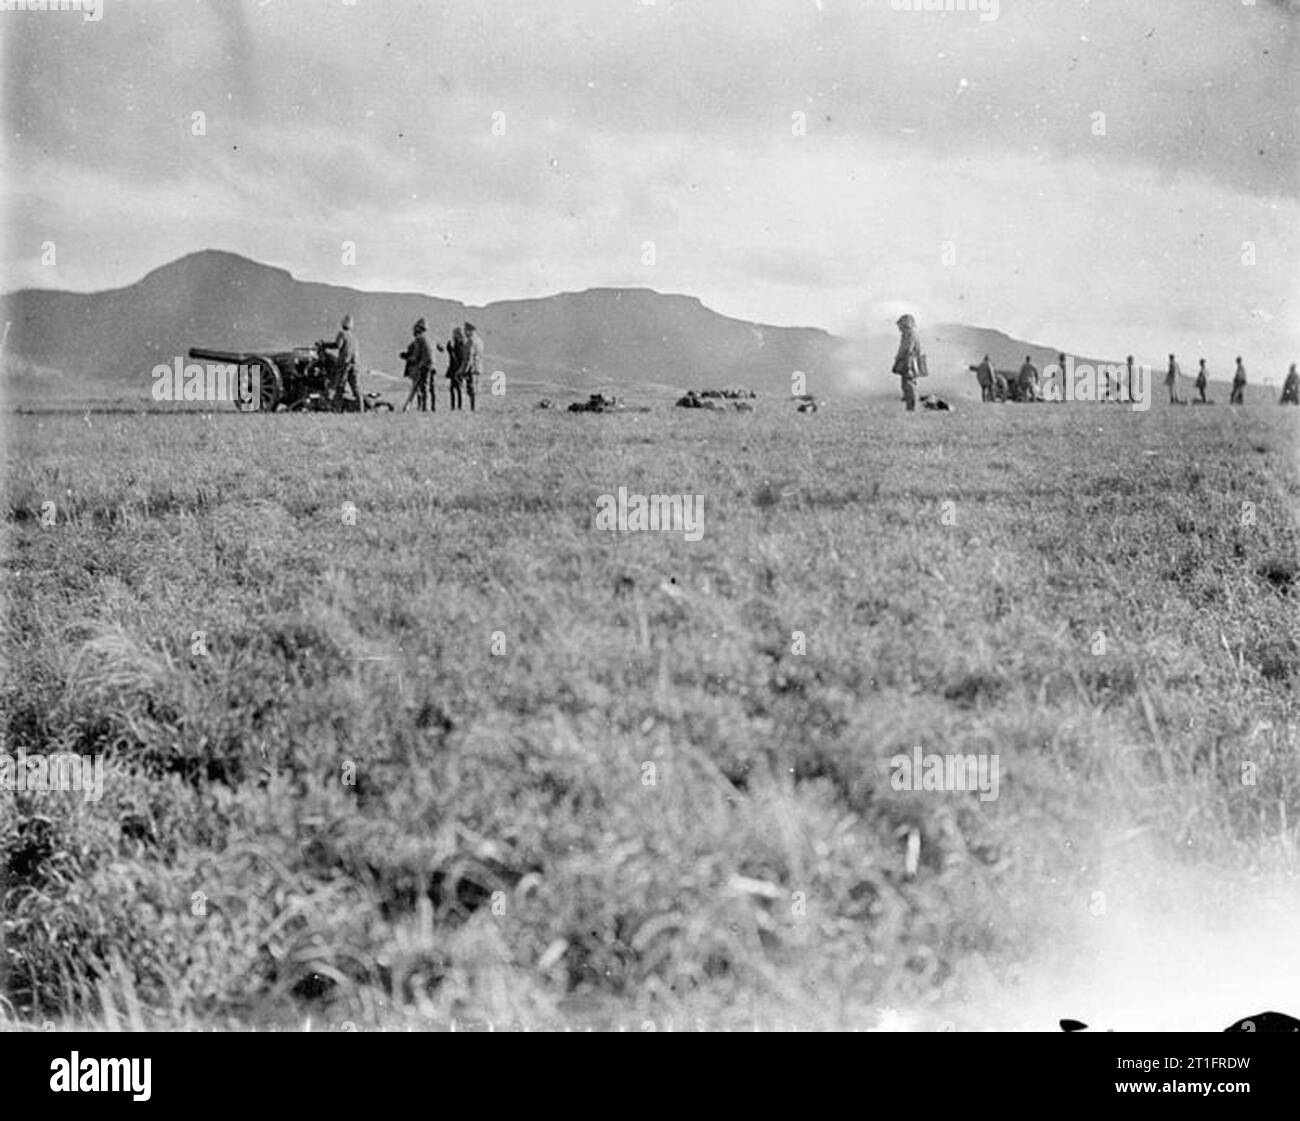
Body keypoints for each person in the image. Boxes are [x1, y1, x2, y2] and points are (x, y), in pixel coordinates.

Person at [400, 318, 434, 412]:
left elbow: (415, 356)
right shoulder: (428, 338)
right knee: (423, 387)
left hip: (423, 365)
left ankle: (422, 408)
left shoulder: (420, 339)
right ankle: (423, 407)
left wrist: (406, 356)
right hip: (429, 365)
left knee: (420, 387)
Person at [326, 313, 359, 407]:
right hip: (354, 364)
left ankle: (337, 408)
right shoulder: (354, 337)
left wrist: (325, 345)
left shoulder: (342, 334)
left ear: (342, 324)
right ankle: (361, 409)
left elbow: (338, 345)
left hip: (344, 365)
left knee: (340, 386)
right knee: (356, 389)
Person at [892, 314, 923, 412]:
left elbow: (907, 350)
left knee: (909, 384)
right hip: (909, 361)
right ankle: (910, 406)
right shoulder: (910, 333)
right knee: (907, 384)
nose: (899, 327)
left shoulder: (909, 334)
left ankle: (912, 407)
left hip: (909, 361)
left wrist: (901, 361)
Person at [442, 326, 465, 410]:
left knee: (455, 388)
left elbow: (456, 357)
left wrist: (450, 350)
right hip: (456, 369)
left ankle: (457, 406)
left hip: (456, 369)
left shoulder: (459, 345)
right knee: (455, 388)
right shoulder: (460, 344)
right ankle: (456, 406)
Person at [462, 322, 484, 411]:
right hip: (478, 368)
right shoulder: (479, 340)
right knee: (476, 389)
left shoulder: (471, 341)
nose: (464, 332)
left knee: (472, 390)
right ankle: (475, 409)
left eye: (465, 330)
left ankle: (473, 409)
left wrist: (464, 370)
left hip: (472, 369)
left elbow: (469, 357)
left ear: (469, 331)